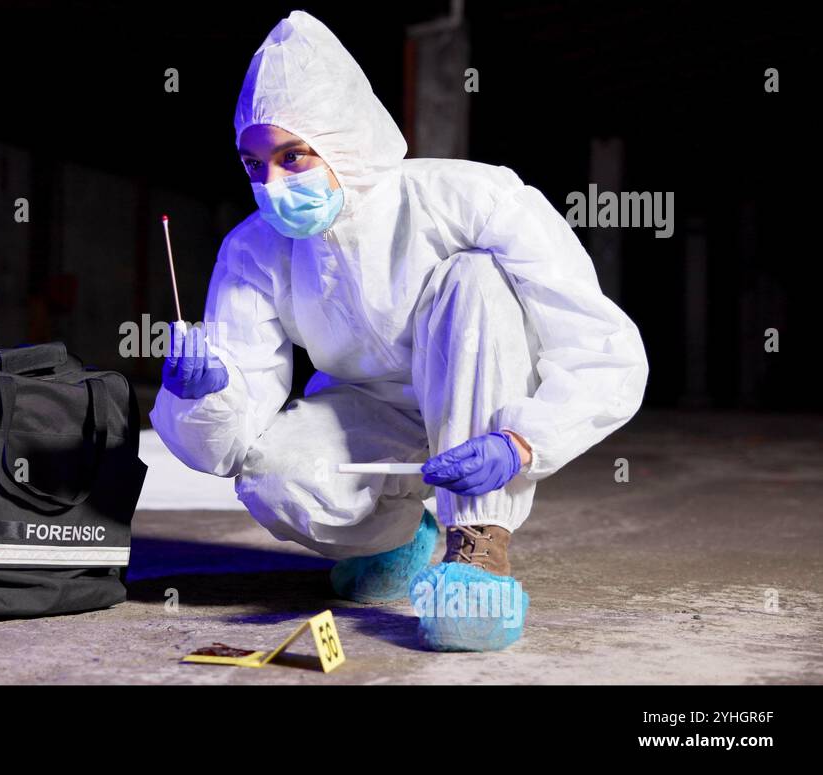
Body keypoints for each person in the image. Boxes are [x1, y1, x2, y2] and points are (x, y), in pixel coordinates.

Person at [150, 10, 649, 651]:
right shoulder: (254, 248)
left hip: (483, 400)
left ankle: (475, 542)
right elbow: (234, 428)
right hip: (369, 413)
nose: (272, 186)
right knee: (273, 474)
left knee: (473, 279)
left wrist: (524, 443)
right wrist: (205, 393)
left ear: (344, 140)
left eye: (293, 156)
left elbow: (600, 347)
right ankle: (397, 537)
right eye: (254, 164)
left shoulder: (476, 198)